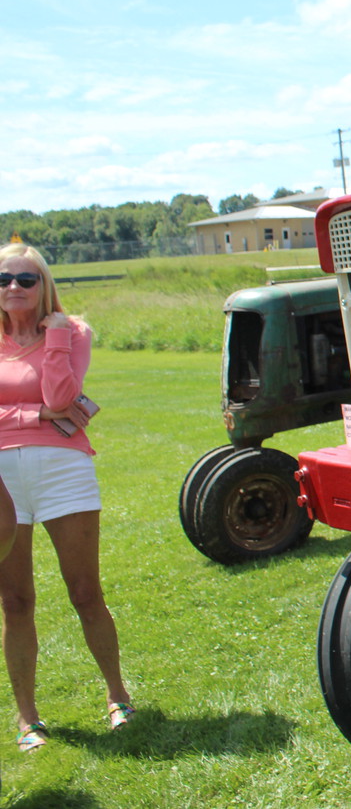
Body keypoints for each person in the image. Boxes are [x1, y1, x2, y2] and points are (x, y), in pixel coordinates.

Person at [0, 243, 133, 754]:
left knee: (85, 592)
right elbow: (49, 412)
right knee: (14, 602)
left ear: (43, 285)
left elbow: (61, 398)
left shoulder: (71, 332)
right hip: (2, 481)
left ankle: (118, 695)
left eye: (26, 279)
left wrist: (54, 335)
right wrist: (33, 418)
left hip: (64, 472)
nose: (13, 287)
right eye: (4, 279)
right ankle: (28, 717)